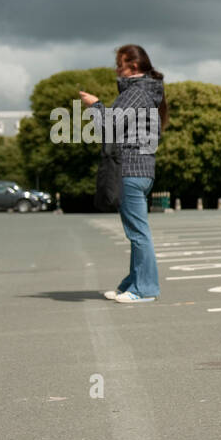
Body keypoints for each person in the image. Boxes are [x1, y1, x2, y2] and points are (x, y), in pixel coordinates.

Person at [78, 44, 167, 302]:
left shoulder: (137, 92)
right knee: (135, 231)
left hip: (130, 168)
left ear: (134, 66)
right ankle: (132, 284)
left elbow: (108, 126)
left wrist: (95, 105)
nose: (117, 70)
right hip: (141, 169)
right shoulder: (146, 91)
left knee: (138, 233)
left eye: (120, 65)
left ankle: (145, 289)